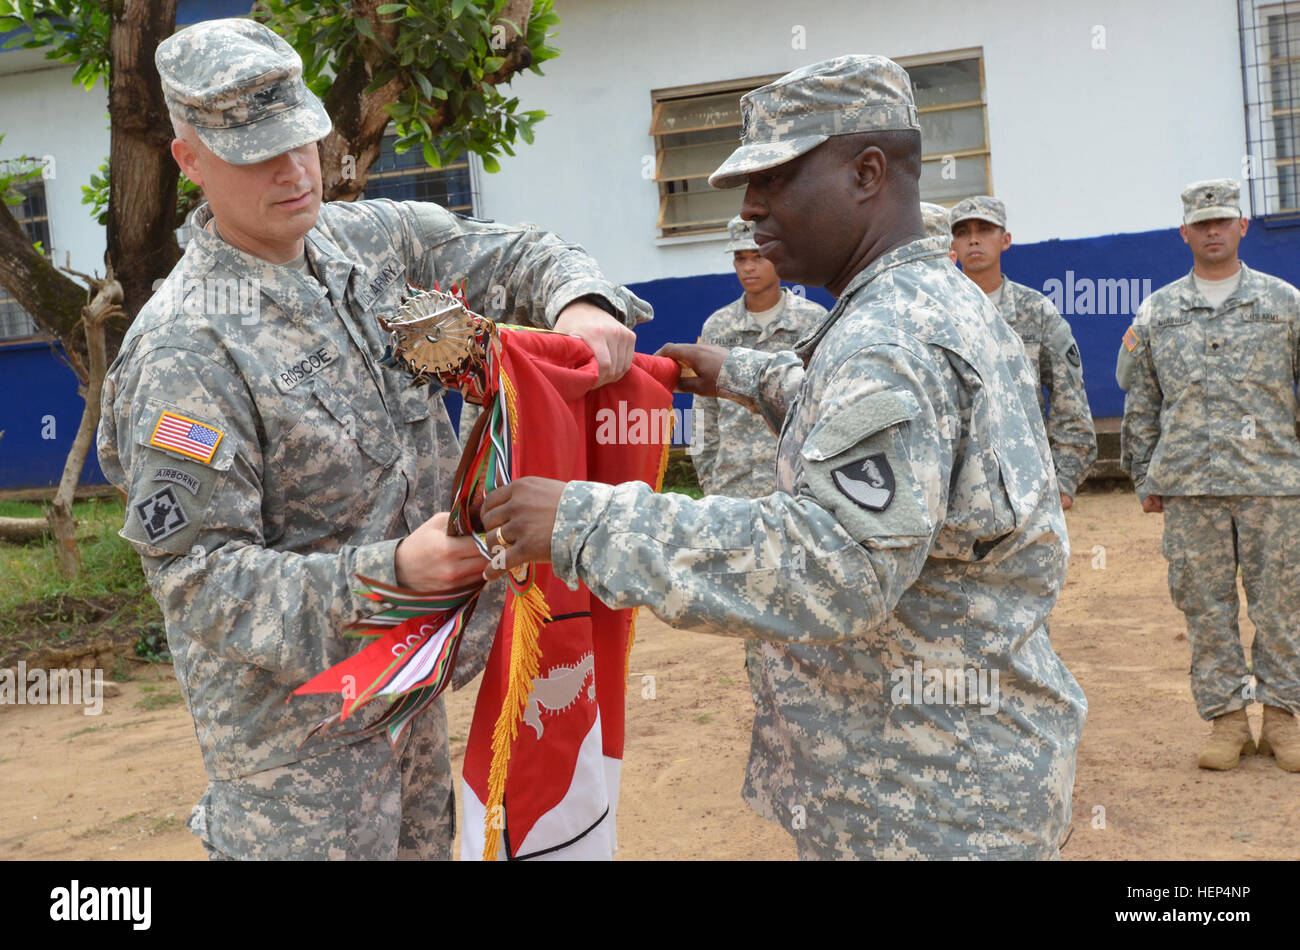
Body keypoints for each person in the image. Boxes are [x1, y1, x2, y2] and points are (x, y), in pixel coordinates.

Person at [479, 55, 1087, 859]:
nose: (752, 207)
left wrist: (586, 520)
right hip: (950, 768)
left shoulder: (887, 338)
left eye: (776, 177)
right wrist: (743, 374)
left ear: (868, 173)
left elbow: (833, 569)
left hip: (925, 803)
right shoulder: (933, 301)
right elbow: (898, 433)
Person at [97, 17, 649, 860]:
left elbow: (524, 255)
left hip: (412, 712)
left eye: (304, 140)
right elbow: (201, 585)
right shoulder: (186, 348)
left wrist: (583, 301)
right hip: (297, 767)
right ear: (190, 161)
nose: (294, 170)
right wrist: (389, 575)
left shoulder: (370, 244)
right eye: (256, 152)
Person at [1120, 178, 1300, 772]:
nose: (1213, 230)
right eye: (1202, 224)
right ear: (1185, 233)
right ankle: (1226, 722)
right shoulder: (1159, 312)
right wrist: (1145, 475)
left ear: (1242, 226)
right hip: (1191, 485)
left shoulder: (1284, 303)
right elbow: (1142, 399)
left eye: (1223, 220)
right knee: (1205, 606)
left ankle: (1281, 719)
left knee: (1282, 604)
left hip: (1273, 484)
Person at [691, 214, 826, 762]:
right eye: (740, 259)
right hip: (741, 500)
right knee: (756, 617)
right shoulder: (717, 329)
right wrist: (713, 483)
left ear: (777, 257)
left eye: (757, 257)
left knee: (811, 605)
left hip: (803, 495)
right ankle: (773, 723)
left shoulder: (813, 321)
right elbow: (703, 421)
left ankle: (819, 717)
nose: (749, 267)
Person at [950, 196, 1097, 510]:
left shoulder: (1037, 312)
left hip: (1028, 490)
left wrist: (1065, 480)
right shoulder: (937, 313)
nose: (973, 238)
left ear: (1005, 240)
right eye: (962, 232)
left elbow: (1070, 403)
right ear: (952, 246)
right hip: (954, 493)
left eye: (984, 229)